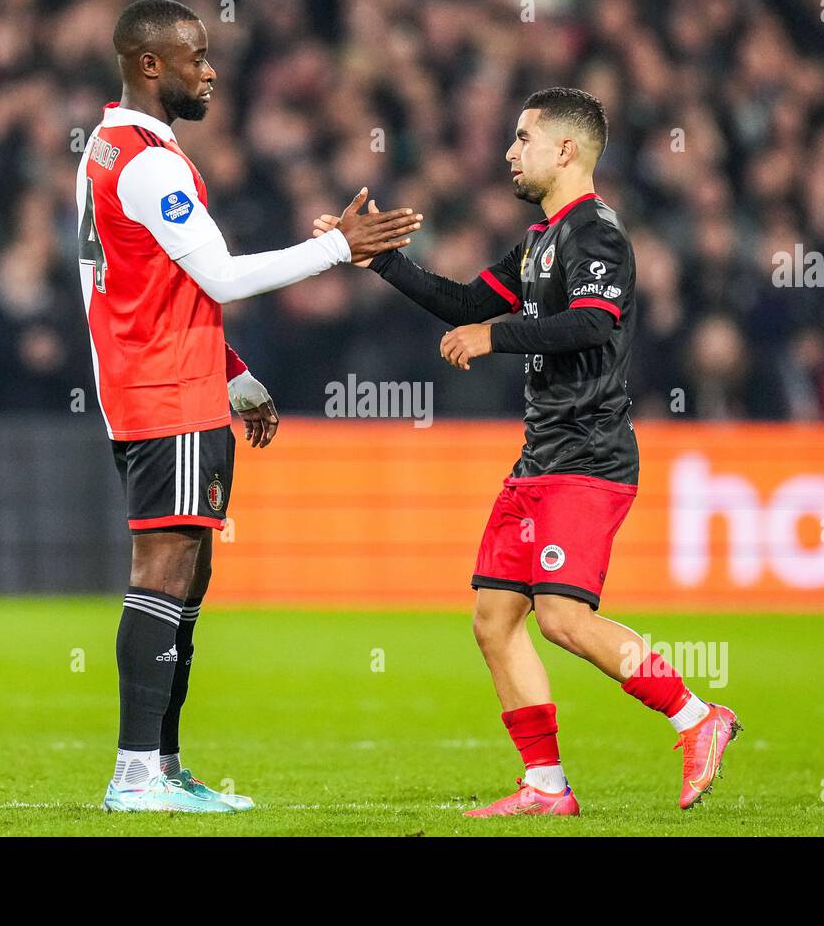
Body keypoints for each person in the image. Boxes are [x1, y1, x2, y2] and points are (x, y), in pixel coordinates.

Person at [316, 87, 740, 815]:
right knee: (493, 618)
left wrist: (497, 336)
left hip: (590, 455)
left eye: (522, 139)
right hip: (541, 458)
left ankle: (697, 716)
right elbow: (462, 303)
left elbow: (592, 324)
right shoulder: (540, 241)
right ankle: (546, 786)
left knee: (562, 618)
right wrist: (379, 260)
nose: (510, 153)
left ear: (565, 150)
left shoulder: (596, 232)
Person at [78, 0, 421, 813]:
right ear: (150, 63)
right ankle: (135, 774)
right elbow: (223, 275)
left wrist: (230, 368)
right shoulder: (149, 162)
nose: (211, 70)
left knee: (190, 571)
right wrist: (339, 247)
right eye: (195, 56)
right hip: (167, 393)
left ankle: (160, 767)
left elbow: (144, 284)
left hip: (167, 380)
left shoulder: (109, 144)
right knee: (165, 569)